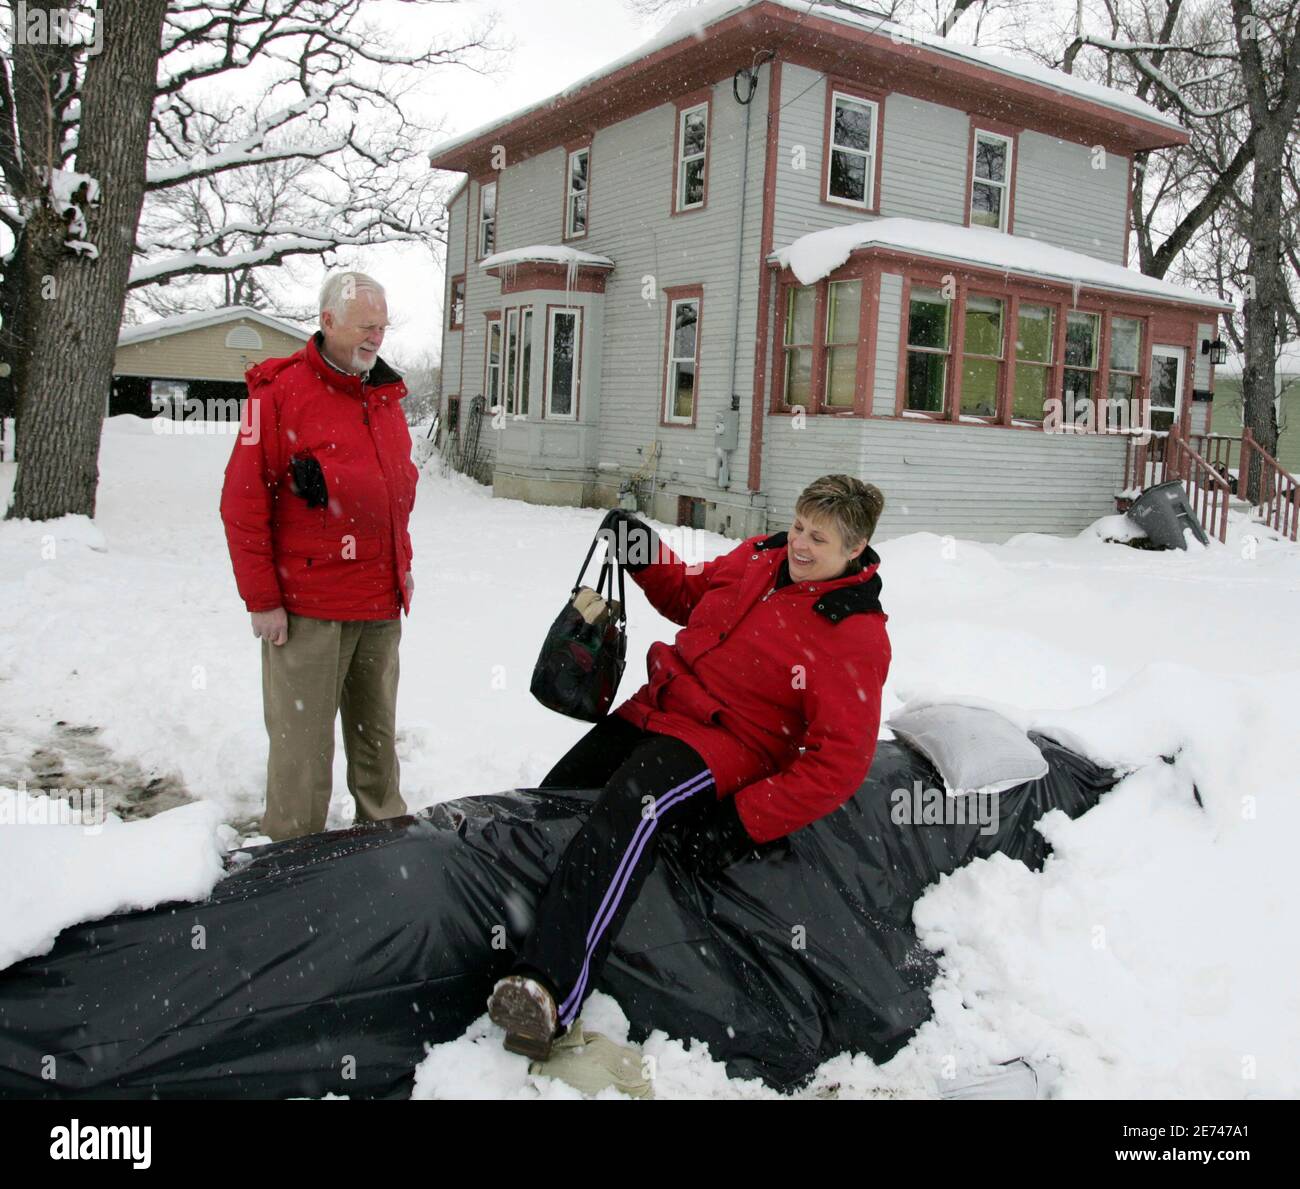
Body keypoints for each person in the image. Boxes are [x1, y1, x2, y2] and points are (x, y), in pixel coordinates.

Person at [487, 474, 891, 1060]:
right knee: (554, 799)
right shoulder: (760, 555)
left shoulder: (853, 632)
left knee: (632, 812)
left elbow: (840, 764)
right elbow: (687, 595)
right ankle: (494, 933)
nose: (800, 545)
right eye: (800, 526)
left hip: (726, 743)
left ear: (855, 550)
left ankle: (548, 988)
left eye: (820, 540)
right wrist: (643, 551)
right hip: (661, 705)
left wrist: (743, 822)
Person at [219, 271, 419, 841]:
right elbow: (242, 504)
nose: (376, 338)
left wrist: (400, 568)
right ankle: (291, 855)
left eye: (382, 327)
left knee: (377, 740)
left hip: (378, 606)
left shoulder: (385, 398)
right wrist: (263, 599)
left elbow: (395, 495)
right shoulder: (275, 395)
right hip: (308, 610)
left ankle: (384, 844)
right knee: (302, 751)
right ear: (328, 321)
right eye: (364, 326)